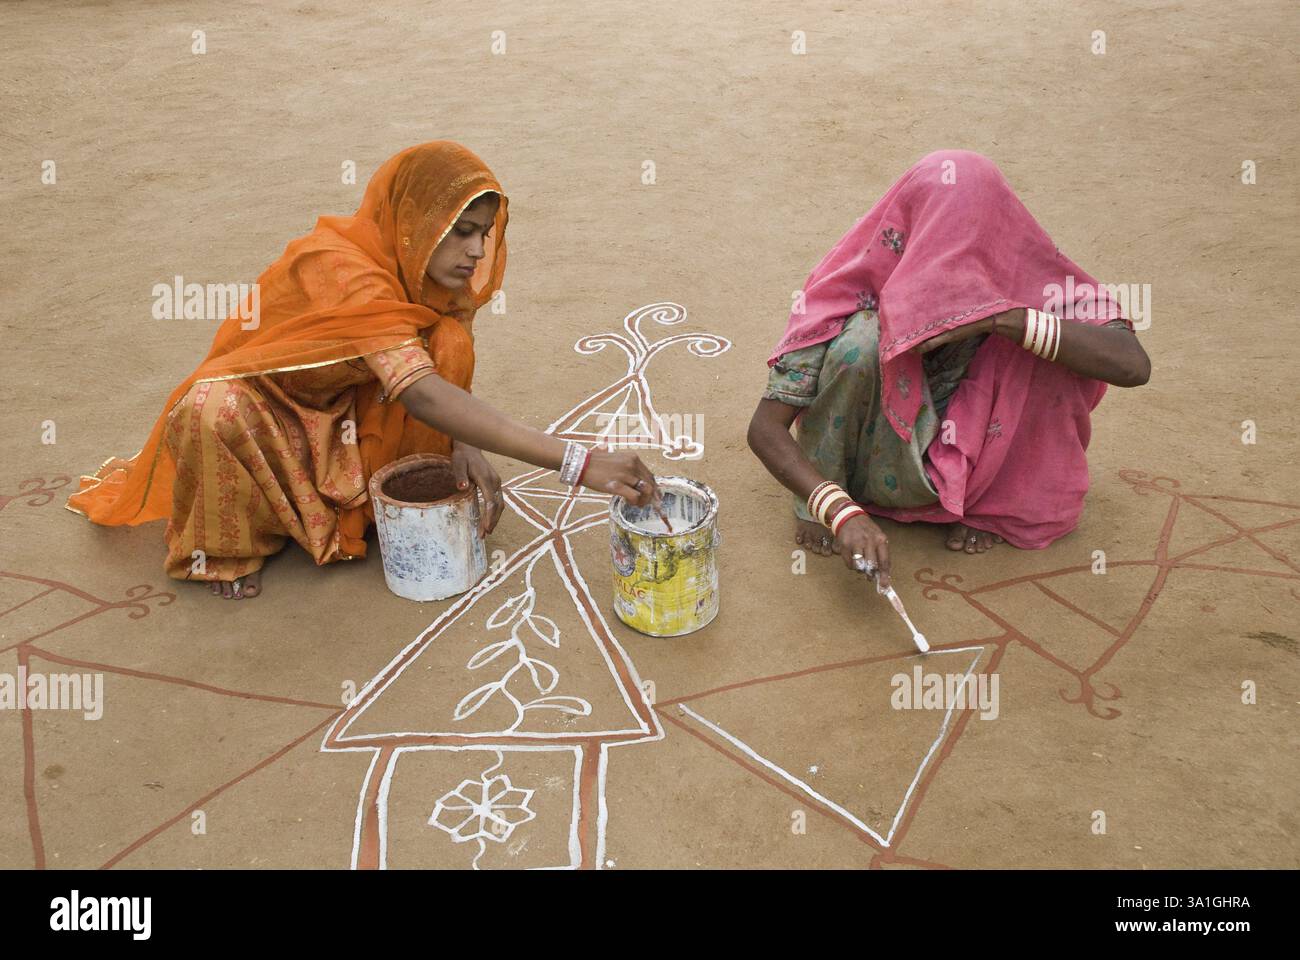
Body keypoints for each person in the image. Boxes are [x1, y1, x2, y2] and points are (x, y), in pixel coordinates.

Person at [67, 141, 660, 599]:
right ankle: (229, 544)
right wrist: (579, 462)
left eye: (483, 233)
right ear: (415, 220)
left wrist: (462, 442)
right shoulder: (342, 266)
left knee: (445, 339)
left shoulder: (426, 276)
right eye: (462, 231)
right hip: (270, 418)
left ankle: (372, 501)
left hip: (354, 406)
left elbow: (439, 380)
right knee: (210, 408)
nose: (478, 251)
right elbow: (423, 396)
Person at [747, 150, 1151, 588]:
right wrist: (835, 508)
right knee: (861, 341)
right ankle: (826, 492)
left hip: (972, 475)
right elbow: (764, 428)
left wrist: (1008, 321)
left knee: (1049, 347)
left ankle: (996, 504)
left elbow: (1132, 364)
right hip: (862, 472)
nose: (949, 263)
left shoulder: (1028, 280)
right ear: (909, 232)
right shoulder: (851, 289)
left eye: (969, 247)